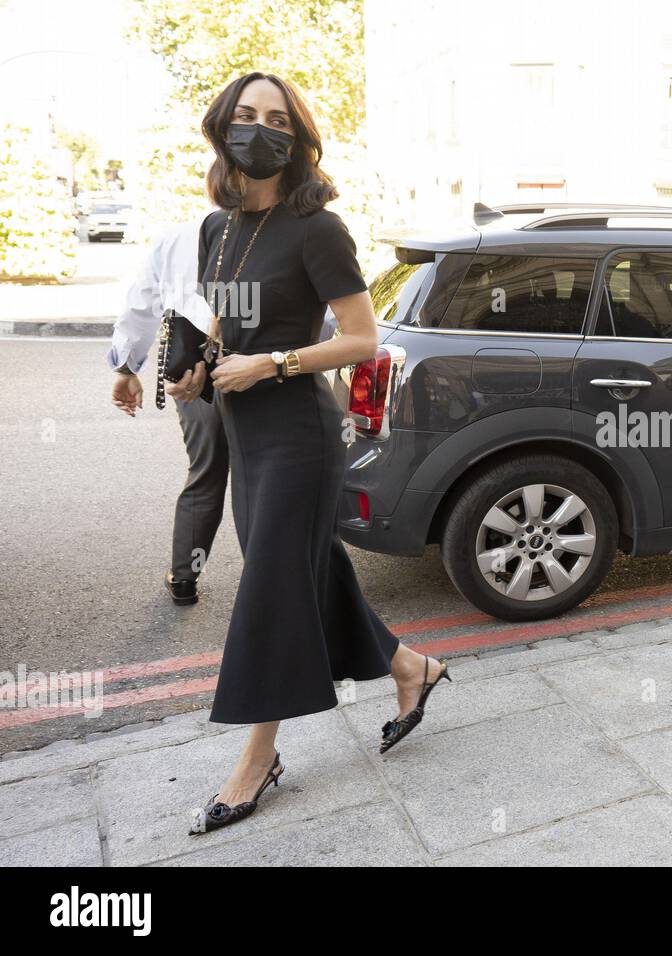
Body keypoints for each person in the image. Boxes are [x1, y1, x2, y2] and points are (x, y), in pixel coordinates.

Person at [179, 71, 449, 836]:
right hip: (243, 429)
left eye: (277, 120)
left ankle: (257, 756)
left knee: (271, 584)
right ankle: (413, 671)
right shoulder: (217, 228)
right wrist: (201, 365)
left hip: (298, 433)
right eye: (245, 116)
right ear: (220, 126)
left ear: (294, 140)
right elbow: (229, 329)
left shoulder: (317, 229)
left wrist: (273, 365)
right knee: (308, 571)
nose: (259, 130)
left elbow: (362, 338)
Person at [109, 211, 227, 606]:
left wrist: (128, 366)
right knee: (260, 477)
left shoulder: (177, 234)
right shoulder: (285, 226)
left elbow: (142, 304)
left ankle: (184, 578)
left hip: (189, 359)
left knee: (206, 471)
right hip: (258, 361)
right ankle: (274, 584)